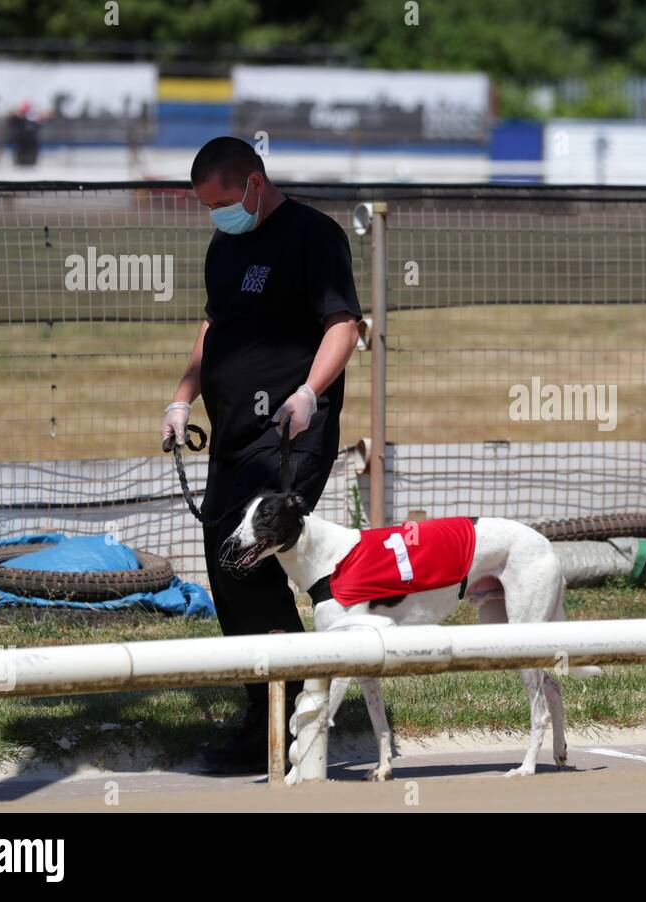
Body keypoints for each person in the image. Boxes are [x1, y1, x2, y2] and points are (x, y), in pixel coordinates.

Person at [161, 136, 362, 773]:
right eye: (206, 207)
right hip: (231, 436)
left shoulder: (313, 235)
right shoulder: (225, 245)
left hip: (290, 430)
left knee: (252, 558)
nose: (216, 215)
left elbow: (344, 324)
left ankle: (290, 714)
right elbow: (213, 326)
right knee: (225, 565)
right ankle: (270, 704)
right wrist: (182, 398)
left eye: (223, 202)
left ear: (254, 183)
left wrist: (309, 391)